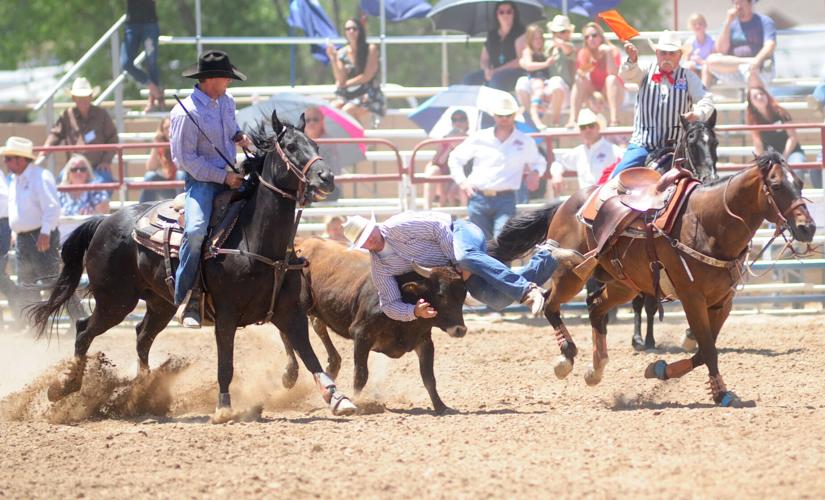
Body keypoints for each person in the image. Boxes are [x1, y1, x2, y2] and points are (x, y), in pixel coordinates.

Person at [342, 211, 579, 318]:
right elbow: (389, 303)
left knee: (466, 257)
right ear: (361, 246)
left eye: (368, 233)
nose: (370, 239)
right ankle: (548, 255)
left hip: (461, 233)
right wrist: (413, 312)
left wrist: (457, 264)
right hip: (455, 269)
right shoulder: (381, 268)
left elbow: (439, 226)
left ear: (373, 225)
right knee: (497, 300)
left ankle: (527, 290)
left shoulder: (398, 225)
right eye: (364, 240)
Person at [169, 50, 251, 328]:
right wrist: (223, 178)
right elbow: (186, 160)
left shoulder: (227, 102)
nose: (229, 83)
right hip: (202, 181)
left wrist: (239, 136)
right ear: (212, 79)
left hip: (232, 173)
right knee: (195, 232)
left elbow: (230, 130)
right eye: (227, 78)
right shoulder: (185, 113)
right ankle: (186, 298)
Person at [609, 31, 715, 179]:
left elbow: (706, 99)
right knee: (617, 177)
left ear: (679, 55)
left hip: (676, 148)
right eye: (663, 53)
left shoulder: (688, 77)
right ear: (657, 53)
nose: (667, 57)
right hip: (643, 144)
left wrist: (698, 114)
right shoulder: (645, 71)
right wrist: (632, 61)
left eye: (672, 53)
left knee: (700, 180)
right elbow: (627, 75)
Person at [1, 136, 84, 323]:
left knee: (52, 282)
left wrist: (45, 231)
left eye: (9, 158)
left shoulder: (39, 176)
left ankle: (79, 319)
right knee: (28, 285)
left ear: (21, 159)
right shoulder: (17, 179)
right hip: (25, 238)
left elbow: (52, 207)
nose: (5, 162)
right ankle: (36, 323)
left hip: (40, 235)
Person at [447, 96, 546, 238]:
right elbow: (455, 158)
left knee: (500, 240)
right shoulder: (480, 137)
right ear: (494, 116)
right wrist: (463, 182)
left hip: (505, 198)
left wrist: (535, 172)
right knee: (484, 243)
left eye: (508, 115)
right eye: (500, 115)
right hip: (479, 197)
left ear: (514, 116)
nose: (504, 119)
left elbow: (539, 162)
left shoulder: (524, 141)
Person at [38, 77, 119, 184]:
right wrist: (43, 153)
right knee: (60, 187)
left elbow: (113, 138)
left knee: (100, 187)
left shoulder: (102, 115)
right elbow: (55, 135)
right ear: (73, 98)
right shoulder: (67, 116)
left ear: (91, 97)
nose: (83, 100)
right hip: (73, 168)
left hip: (97, 167)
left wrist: (106, 161)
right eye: (79, 97)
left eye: (85, 96)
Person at [746, 85, 820, 188]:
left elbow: (792, 137)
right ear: (752, 103)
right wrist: (761, 162)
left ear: (767, 95)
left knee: (797, 168)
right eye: (755, 96)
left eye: (761, 94)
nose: (759, 97)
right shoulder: (753, 120)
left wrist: (784, 156)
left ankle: (797, 198)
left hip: (791, 152)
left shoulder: (780, 112)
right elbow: (758, 144)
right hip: (770, 157)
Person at [327, 18, 385, 126]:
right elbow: (341, 78)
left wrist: (345, 84)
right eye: (348, 29)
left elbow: (367, 76)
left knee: (347, 111)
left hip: (369, 94)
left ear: (360, 31)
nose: (351, 31)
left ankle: (359, 141)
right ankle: (357, 140)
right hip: (349, 95)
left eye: (354, 28)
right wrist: (333, 59)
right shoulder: (342, 53)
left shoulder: (370, 49)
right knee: (332, 109)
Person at [705, 0, 776, 87]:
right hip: (734, 70)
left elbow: (770, 45)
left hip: (758, 70)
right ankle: (748, 62)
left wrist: (757, 61)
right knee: (711, 60)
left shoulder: (764, 21)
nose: (737, 6)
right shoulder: (730, 23)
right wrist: (728, 22)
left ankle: (750, 65)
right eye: (735, 3)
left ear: (750, 3)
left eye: (741, 2)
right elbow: (720, 50)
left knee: (752, 73)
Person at [550, 108, 623, 193]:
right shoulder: (578, 152)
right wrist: (556, 175)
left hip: (606, 198)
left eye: (591, 126)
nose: (587, 130)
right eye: (583, 127)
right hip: (585, 199)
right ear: (580, 131)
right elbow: (559, 162)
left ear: (598, 127)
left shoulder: (613, 150)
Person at [566, 22, 624, 128]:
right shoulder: (584, 53)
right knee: (579, 80)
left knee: (611, 79)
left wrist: (608, 54)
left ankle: (614, 120)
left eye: (594, 35)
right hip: (594, 92)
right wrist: (591, 62)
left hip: (612, 92)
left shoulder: (612, 50)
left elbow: (613, 74)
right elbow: (581, 74)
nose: (591, 39)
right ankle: (573, 119)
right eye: (587, 37)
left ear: (601, 37)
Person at [462, 1, 526, 92]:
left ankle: (495, 106)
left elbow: (520, 61)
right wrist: (486, 70)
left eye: (509, 11)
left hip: (515, 72)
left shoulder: (520, 32)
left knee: (496, 80)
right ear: (497, 14)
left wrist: (496, 71)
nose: (505, 14)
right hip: (493, 72)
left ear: (514, 14)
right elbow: (484, 59)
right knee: (469, 79)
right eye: (501, 12)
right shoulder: (492, 34)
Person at [121, 0, 163, 112]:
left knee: (151, 63)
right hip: (132, 25)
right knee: (126, 63)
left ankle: (152, 101)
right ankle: (154, 88)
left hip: (150, 24)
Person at [423, 109, 470, 208]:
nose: (458, 122)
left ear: (467, 122)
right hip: (446, 176)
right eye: (454, 120)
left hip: (463, 175)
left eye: (462, 119)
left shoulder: (470, 140)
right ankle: (427, 208)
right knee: (433, 171)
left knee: (454, 188)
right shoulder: (445, 139)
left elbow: (469, 164)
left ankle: (462, 216)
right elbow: (437, 162)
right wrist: (449, 147)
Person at [303, 106, 343, 201]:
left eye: (315, 119)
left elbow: (333, 170)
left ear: (322, 121)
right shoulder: (299, 142)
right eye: (307, 120)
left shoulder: (329, 142)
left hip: (326, 183)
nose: (311, 122)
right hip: (306, 185)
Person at [140, 118, 185, 202]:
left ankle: (182, 205)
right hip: (168, 187)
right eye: (166, 128)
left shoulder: (183, 141)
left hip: (183, 187)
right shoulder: (161, 145)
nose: (169, 130)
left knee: (180, 174)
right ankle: (143, 210)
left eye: (171, 126)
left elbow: (181, 167)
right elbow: (150, 167)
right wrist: (156, 144)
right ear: (162, 132)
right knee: (149, 176)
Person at [683, 13, 715, 83]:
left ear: (705, 25)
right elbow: (686, 60)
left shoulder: (712, 41)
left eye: (700, 23)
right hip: (695, 71)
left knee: (705, 68)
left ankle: (703, 92)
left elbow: (714, 60)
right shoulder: (689, 42)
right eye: (694, 24)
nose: (697, 26)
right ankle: (694, 91)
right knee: (689, 66)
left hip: (709, 70)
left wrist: (701, 62)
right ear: (691, 26)